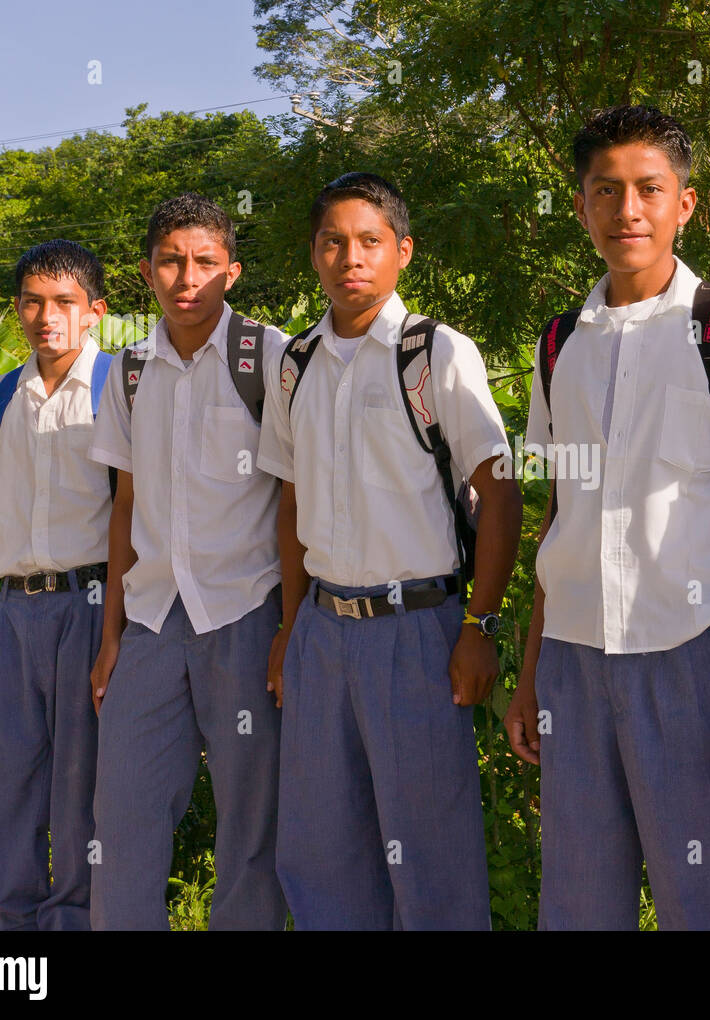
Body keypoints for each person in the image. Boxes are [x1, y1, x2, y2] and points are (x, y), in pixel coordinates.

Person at [504, 105, 710, 929]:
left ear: (685, 204)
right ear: (581, 206)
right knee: (578, 897)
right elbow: (560, 512)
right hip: (573, 657)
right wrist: (530, 671)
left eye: (648, 189)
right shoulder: (557, 344)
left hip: (695, 653)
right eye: (606, 190)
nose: (627, 209)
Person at [259, 172, 522, 929]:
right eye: (333, 242)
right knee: (319, 851)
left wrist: (480, 625)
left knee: (430, 853)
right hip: (320, 632)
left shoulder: (434, 353)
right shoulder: (297, 362)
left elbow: (499, 493)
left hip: (419, 629)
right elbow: (290, 501)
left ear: (401, 251)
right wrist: (288, 626)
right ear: (314, 254)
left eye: (369, 241)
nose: (351, 258)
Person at [88, 193, 288, 930]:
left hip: (245, 614)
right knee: (124, 815)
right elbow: (124, 507)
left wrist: (288, 628)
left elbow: (294, 501)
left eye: (205, 261)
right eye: (171, 260)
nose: (187, 276)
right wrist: (111, 638)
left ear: (231, 271)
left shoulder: (267, 356)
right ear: (147, 272)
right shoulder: (132, 370)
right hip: (149, 622)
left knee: (252, 817)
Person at [0, 239, 112, 930]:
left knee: (82, 784)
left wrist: (117, 635)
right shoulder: (2, 396)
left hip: (90, 606)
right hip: (9, 617)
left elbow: (135, 518)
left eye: (63, 303)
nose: (46, 316)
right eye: (31, 302)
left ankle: (71, 918)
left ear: (94, 312)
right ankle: (15, 922)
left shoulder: (118, 390)